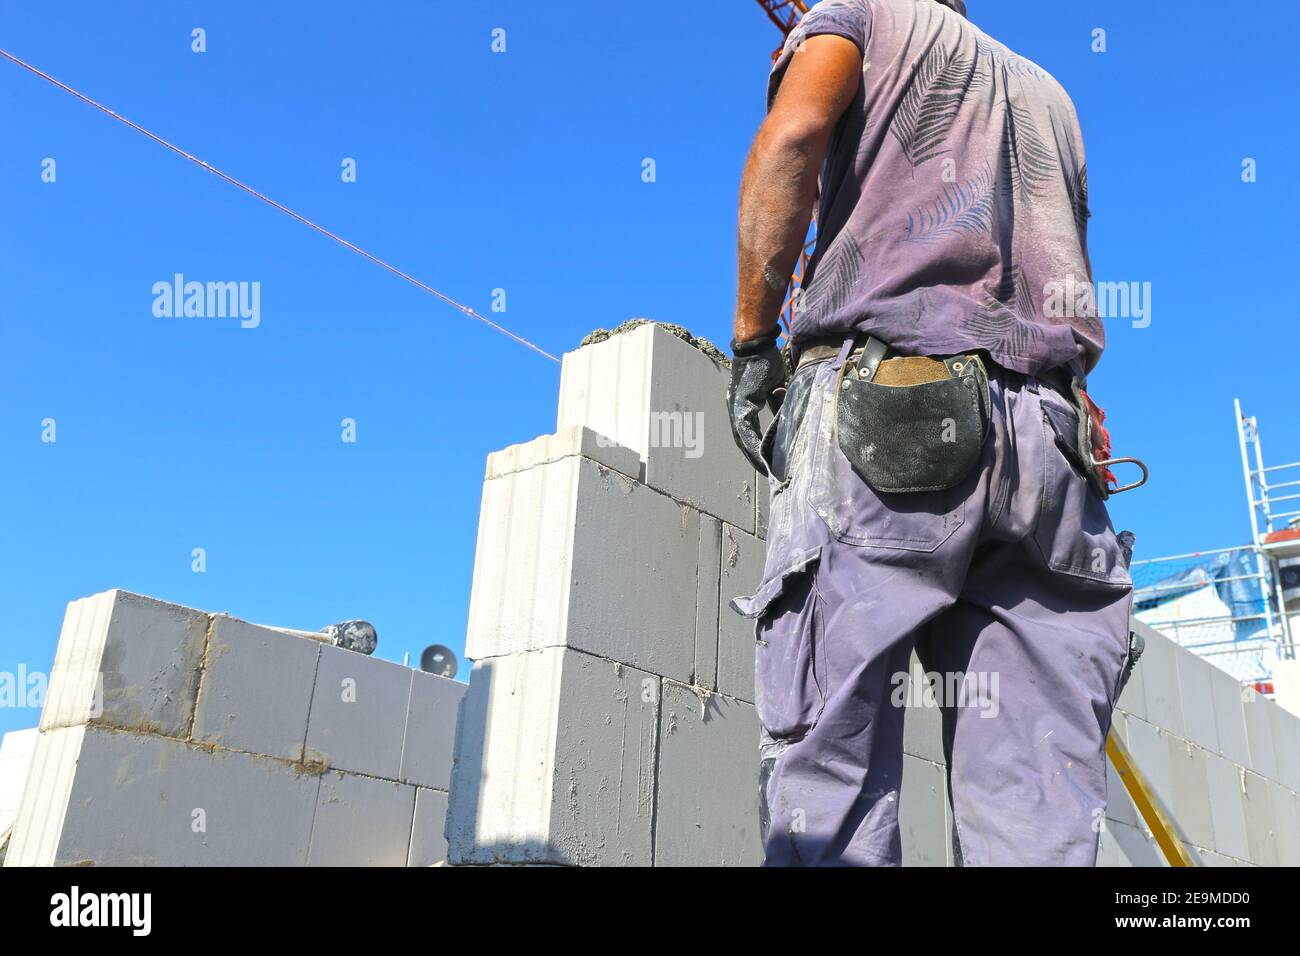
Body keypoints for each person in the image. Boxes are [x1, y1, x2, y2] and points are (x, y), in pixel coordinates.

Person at [727, 0, 1139, 866]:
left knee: (830, 765)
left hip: (893, 403)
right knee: (1038, 806)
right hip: (1053, 447)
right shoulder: (1050, 92)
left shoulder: (857, 18)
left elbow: (793, 138)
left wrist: (755, 342)